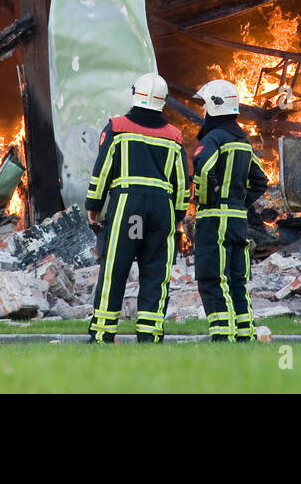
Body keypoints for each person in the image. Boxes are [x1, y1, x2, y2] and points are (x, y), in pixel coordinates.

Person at [84, 72, 189, 343]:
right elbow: (181, 181)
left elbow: (102, 169)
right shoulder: (174, 136)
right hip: (161, 210)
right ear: (163, 101)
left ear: (135, 94)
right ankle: (150, 336)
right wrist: (178, 216)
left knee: (115, 268)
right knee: (156, 272)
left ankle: (103, 334)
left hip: (128, 208)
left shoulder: (117, 127)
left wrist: (94, 205)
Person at [191, 79, 269, 342]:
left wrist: (205, 199)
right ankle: (244, 333)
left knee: (212, 275)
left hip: (214, 218)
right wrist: (239, 203)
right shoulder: (243, 141)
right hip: (237, 219)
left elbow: (203, 169)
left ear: (213, 106)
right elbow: (261, 180)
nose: (202, 110)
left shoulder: (213, 139)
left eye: (204, 105)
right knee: (236, 277)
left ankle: (222, 337)